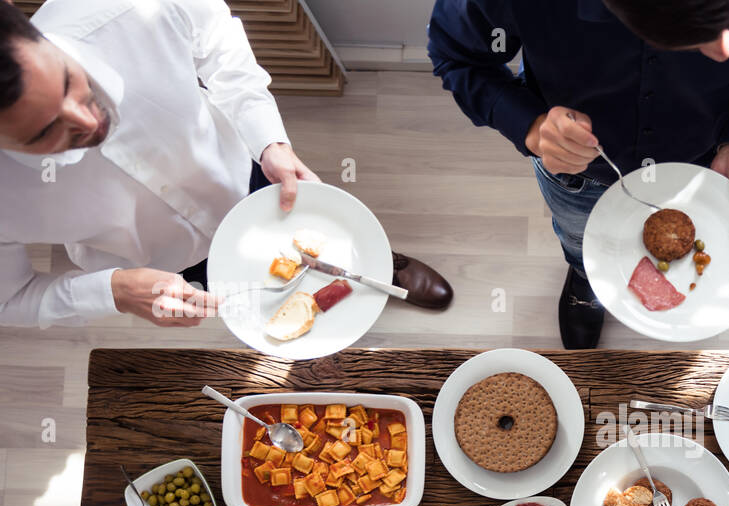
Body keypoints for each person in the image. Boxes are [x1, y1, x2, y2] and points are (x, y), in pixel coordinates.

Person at [0, 0, 451, 329]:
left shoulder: (125, 8)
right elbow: (9, 299)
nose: (90, 120)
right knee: (260, 297)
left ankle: (379, 267)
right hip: (168, 259)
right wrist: (111, 291)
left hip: (246, 170)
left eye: (67, 81)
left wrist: (268, 138)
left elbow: (217, 40)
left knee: (324, 236)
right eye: (43, 132)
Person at [429, 0, 729, 348]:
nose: (726, 48)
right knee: (578, 237)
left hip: (705, 162)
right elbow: (454, 53)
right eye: (697, 34)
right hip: (581, 175)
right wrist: (531, 126)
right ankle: (584, 278)